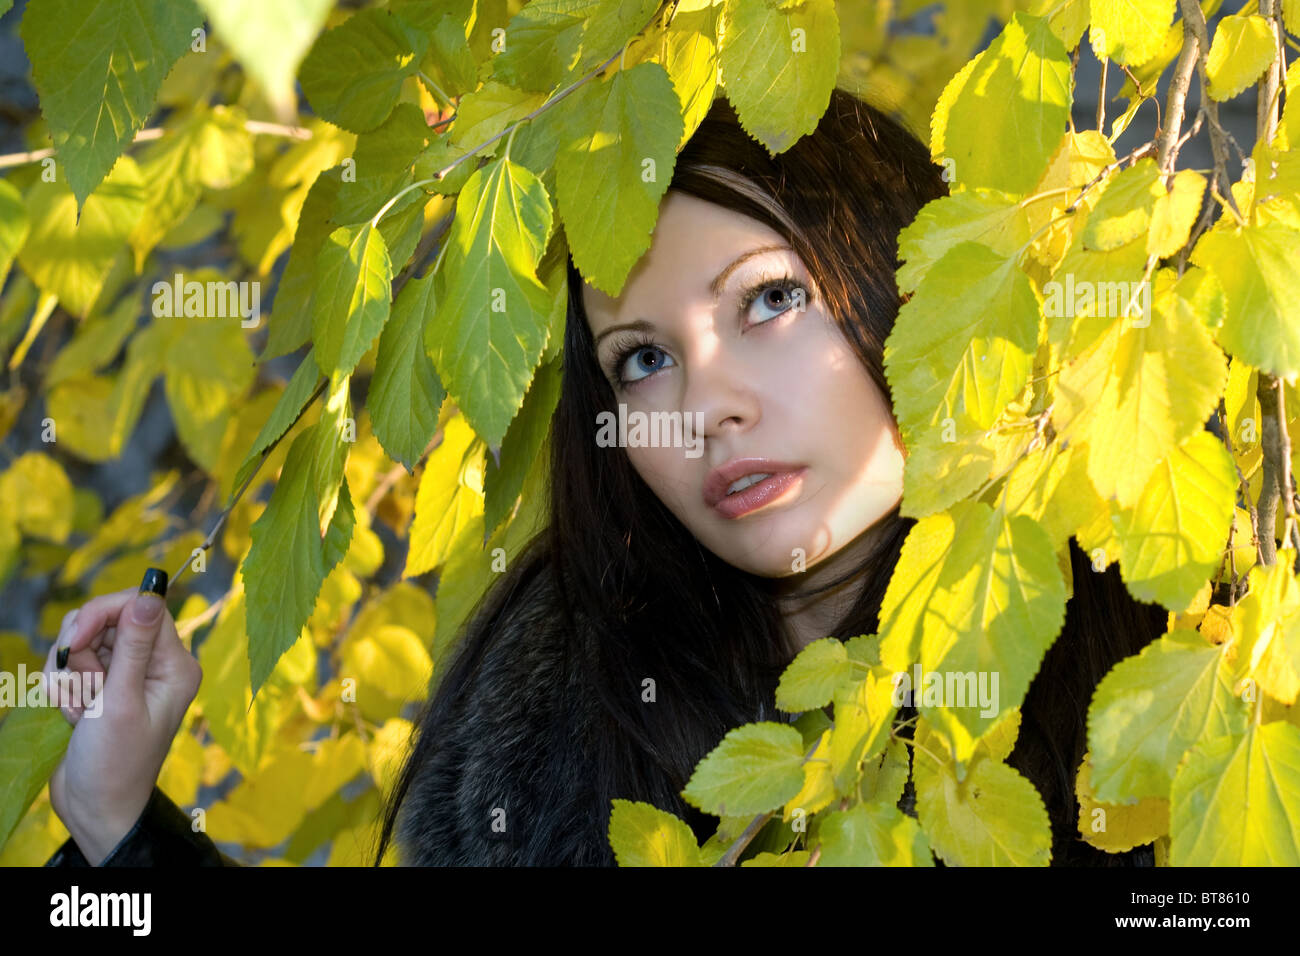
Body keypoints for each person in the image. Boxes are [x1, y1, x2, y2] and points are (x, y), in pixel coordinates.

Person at [44, 87, 1167, 868]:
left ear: (909, 286)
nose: (706, 405)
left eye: (768, 299)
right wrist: (118, 823)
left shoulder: (1173, 664)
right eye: (644, 358)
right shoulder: (549, 714)